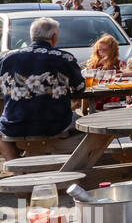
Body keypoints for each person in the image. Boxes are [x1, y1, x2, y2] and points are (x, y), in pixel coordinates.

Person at [0, 17, 85, 162]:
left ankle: (15, 166)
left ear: (32, 36)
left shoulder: (7, 58)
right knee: (85, 125)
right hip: (56, 124)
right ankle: (66, 163)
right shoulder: (64, 58)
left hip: (14, 125)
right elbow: (80, 87)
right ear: (54, 37)